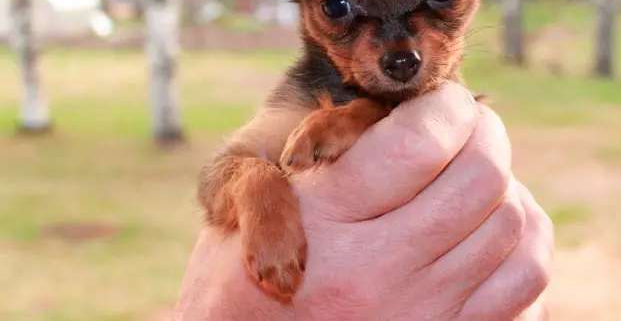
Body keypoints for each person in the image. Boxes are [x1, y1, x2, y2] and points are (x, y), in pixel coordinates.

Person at [170, 83, 553, 320]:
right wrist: (259, 190)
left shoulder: (460, 127)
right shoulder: (294, 104)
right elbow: (217, 179)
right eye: (338, 7)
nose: (397, 47)